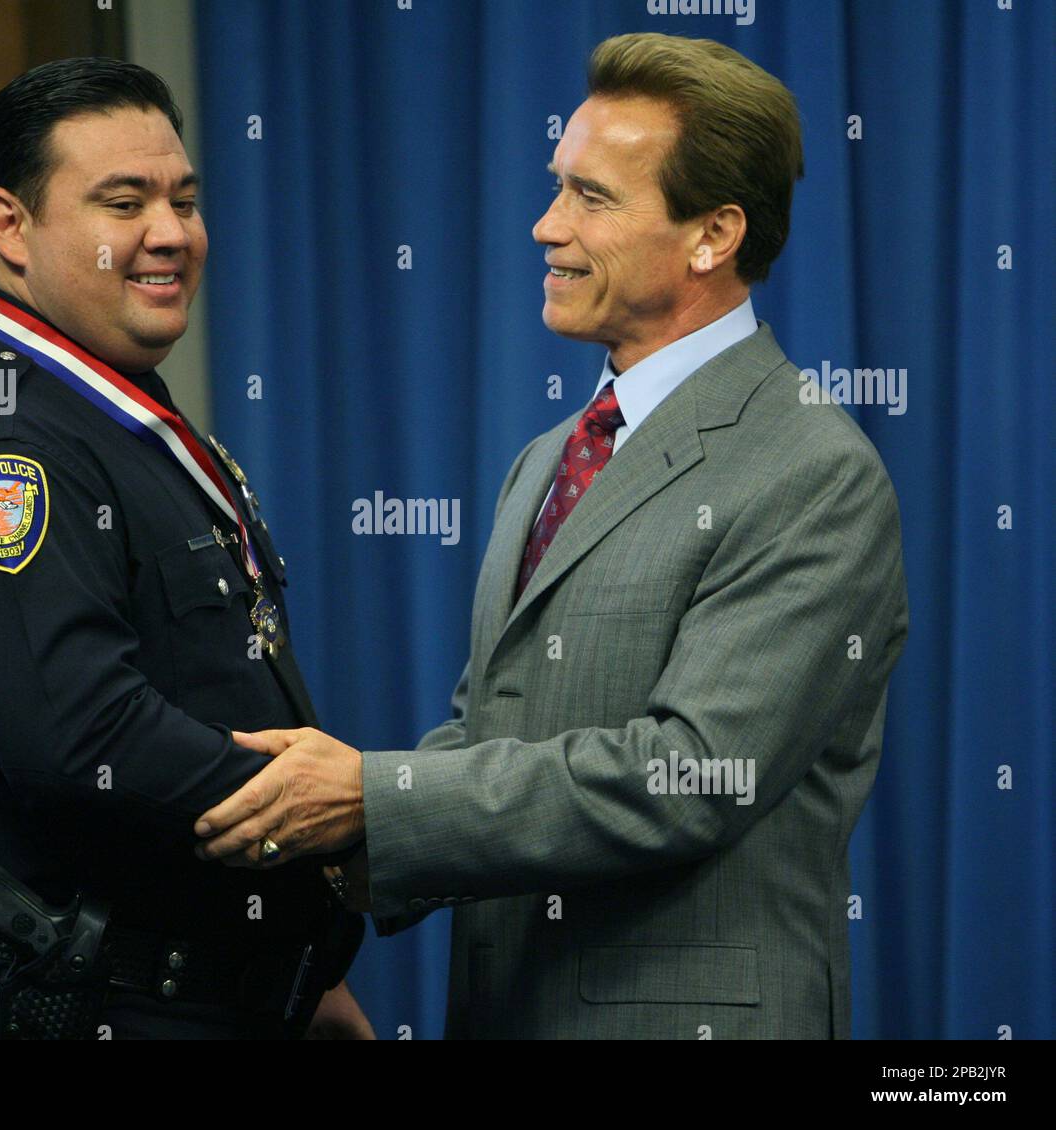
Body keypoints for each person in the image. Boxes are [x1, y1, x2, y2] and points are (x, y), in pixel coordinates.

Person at [194, 33, 910, 1039]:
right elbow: (492, 735)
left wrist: (372, 798)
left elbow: (688, 775)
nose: (544, 225)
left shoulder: (808, 468)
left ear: (712, 235)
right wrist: (314, 844)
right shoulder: (550, 457)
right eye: (554, 188)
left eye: (591, 197)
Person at [0, 57, 370, 1040]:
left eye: (183, 198)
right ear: (9, 226)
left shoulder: (103, 418)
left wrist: (296, 973)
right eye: (122, 202)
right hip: (69, 1005)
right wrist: (336, 822)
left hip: (199, 996)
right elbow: (83, 742)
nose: (170, 232)